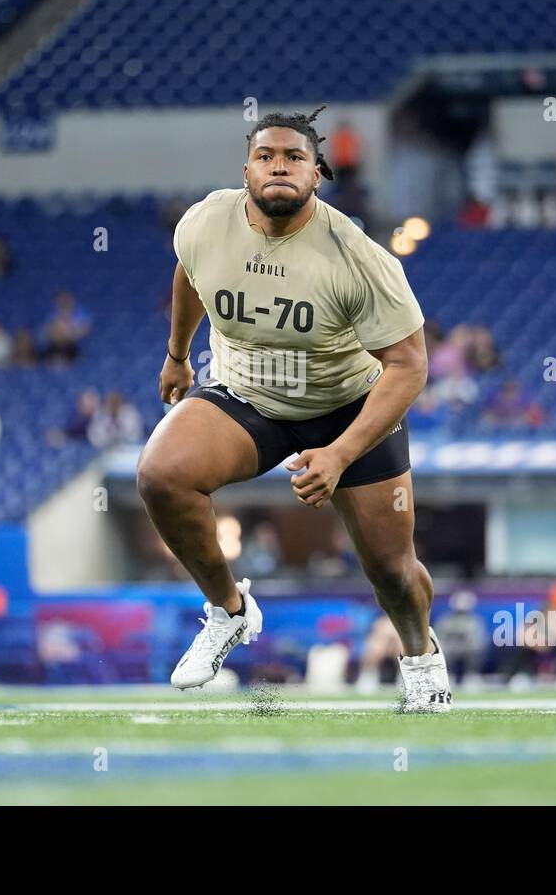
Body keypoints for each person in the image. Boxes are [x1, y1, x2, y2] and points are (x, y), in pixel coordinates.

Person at [136, 104, 452, 711]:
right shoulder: (207, 221)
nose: (279, 166)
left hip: (346, 404)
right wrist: (177, 354)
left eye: (295, 158)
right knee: (160, 475)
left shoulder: (356, 255)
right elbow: (188, 275)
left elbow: (410, 365)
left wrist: (339, 454)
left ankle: (420, 657)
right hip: (248, 394)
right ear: (247, 169)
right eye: (266, 155)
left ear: (318, 174)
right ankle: (228, 612)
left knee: (390, 569)